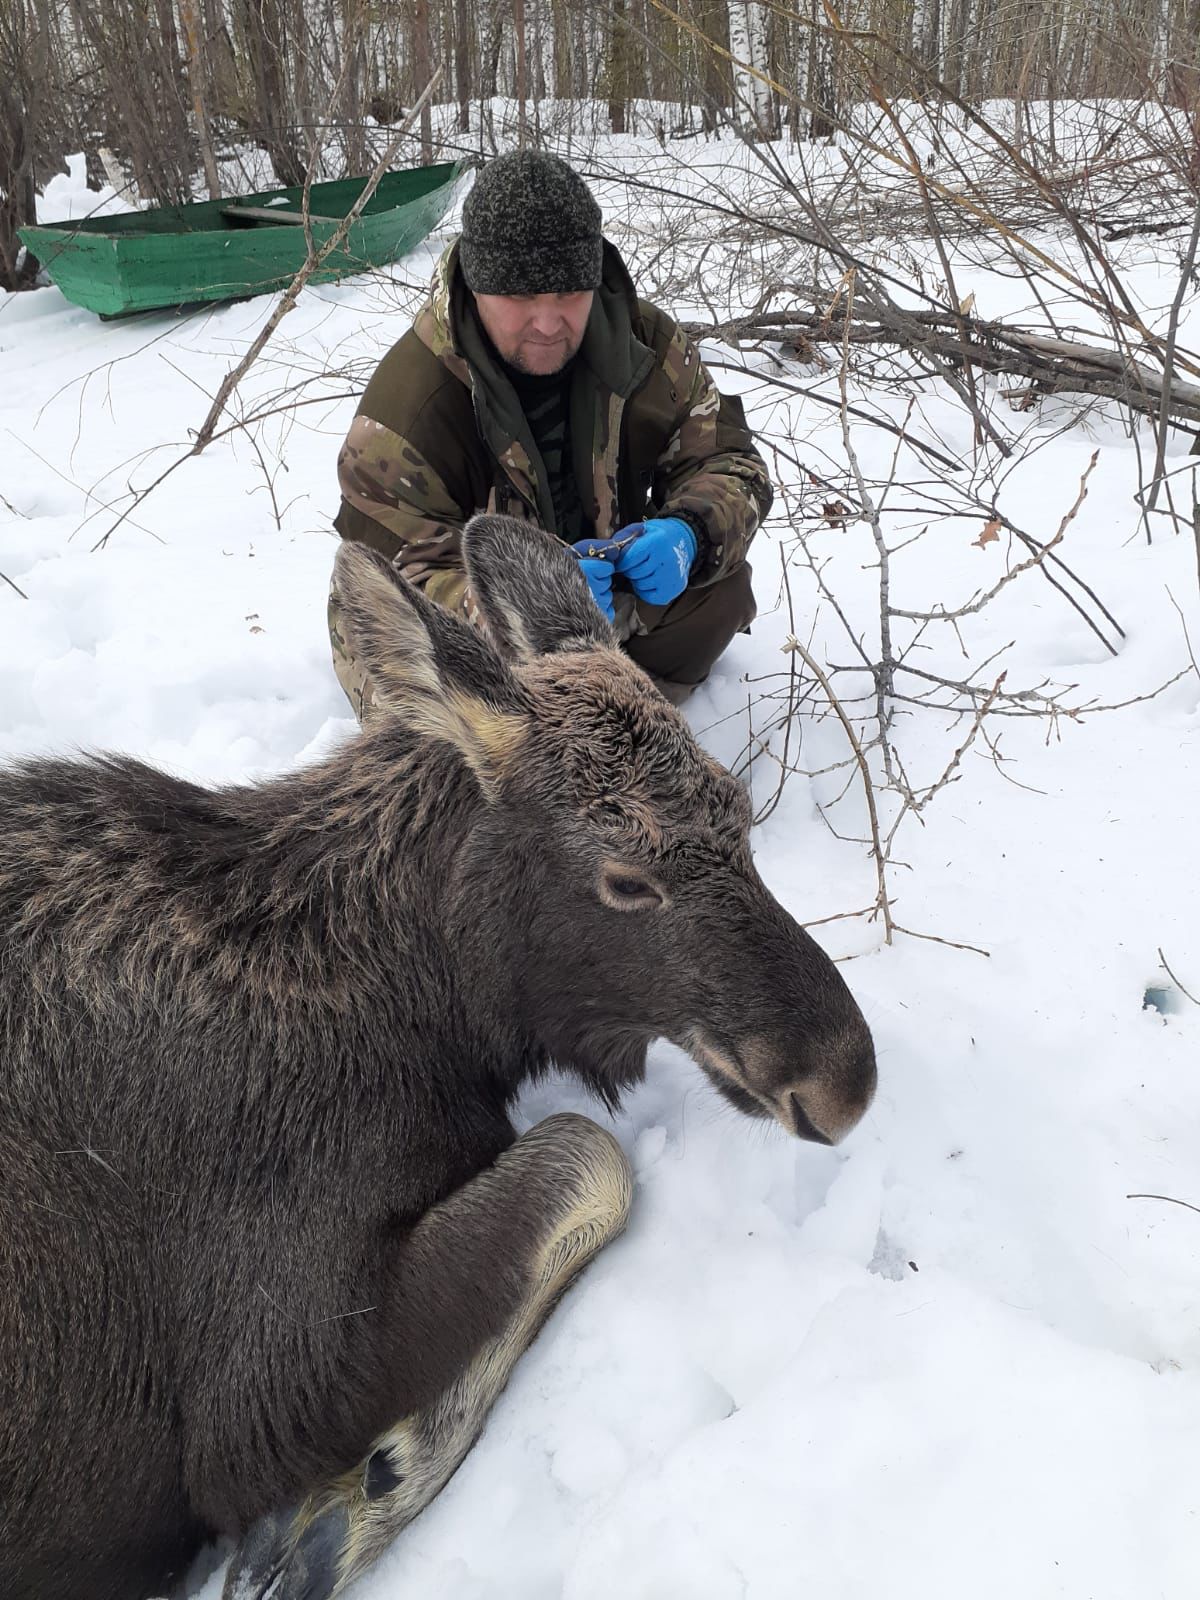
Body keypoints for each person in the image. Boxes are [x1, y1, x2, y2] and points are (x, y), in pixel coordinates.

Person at [329, 149, 773, 715]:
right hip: (481, 634)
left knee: (721, 597)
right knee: (426, 713)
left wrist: (690, 532)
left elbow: (729, 461)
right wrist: (528, 601)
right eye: (518, 297)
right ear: (477, 282)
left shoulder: (648, 346)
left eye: (568, 293)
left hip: (605, 597)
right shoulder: (404, 413)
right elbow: (389, 587)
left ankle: (613, 713)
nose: (546, 323)